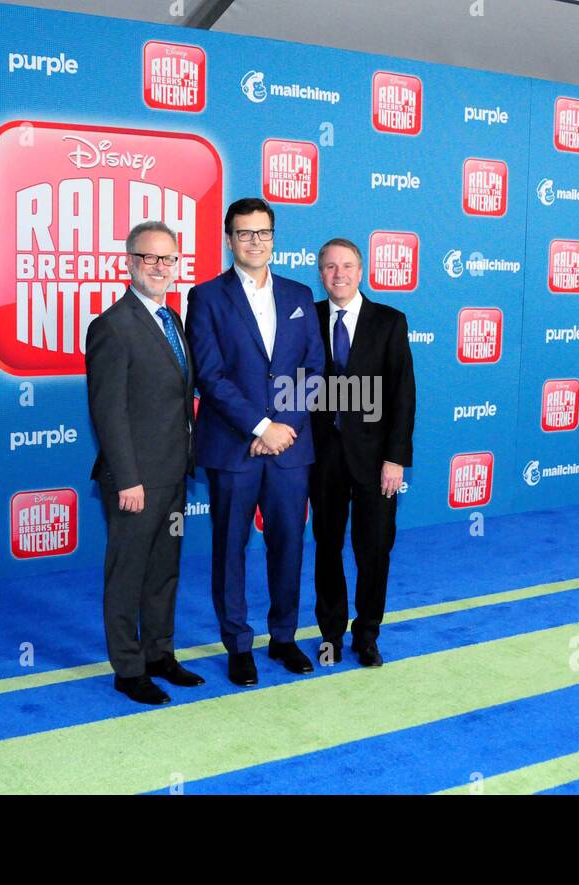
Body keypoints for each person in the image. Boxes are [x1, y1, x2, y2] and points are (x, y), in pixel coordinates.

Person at [185, 198, 325, 686]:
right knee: (230, 547)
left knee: (289, 544)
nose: (254, 241)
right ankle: (238, 645)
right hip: (234, 446)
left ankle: (283, 638)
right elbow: (210, 374)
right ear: (229, 239)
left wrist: (283, 426)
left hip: (291, 447)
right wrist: (261, 427)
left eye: (263, 233)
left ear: (274, 237)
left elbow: (313, 369)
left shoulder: (300, 294)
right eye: (244, 233)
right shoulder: (205, 297)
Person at [85, 221, 204, 705]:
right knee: (127, 573)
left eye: (168, 259)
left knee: (163, 571)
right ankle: (129, 668)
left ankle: (159, 655)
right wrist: (128, 479)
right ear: (129, 262)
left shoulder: (173, 319)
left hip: (174, 476)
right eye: (149, 258)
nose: (160, 267)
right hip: (135, 482)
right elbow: (107, 411)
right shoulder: (112, 325)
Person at [309, 238, 416, 667]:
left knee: (374, 549)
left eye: (347, 266)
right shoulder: (307, 319)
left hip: (376, 461)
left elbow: (402, 394)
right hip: (322, 458)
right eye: (331, 267)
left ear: (361, 270)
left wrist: (395, 459)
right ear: (320, 273)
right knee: (327, 546)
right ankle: (331, 634)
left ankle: (367, 634)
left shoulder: (389, 321)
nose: (339, 274)